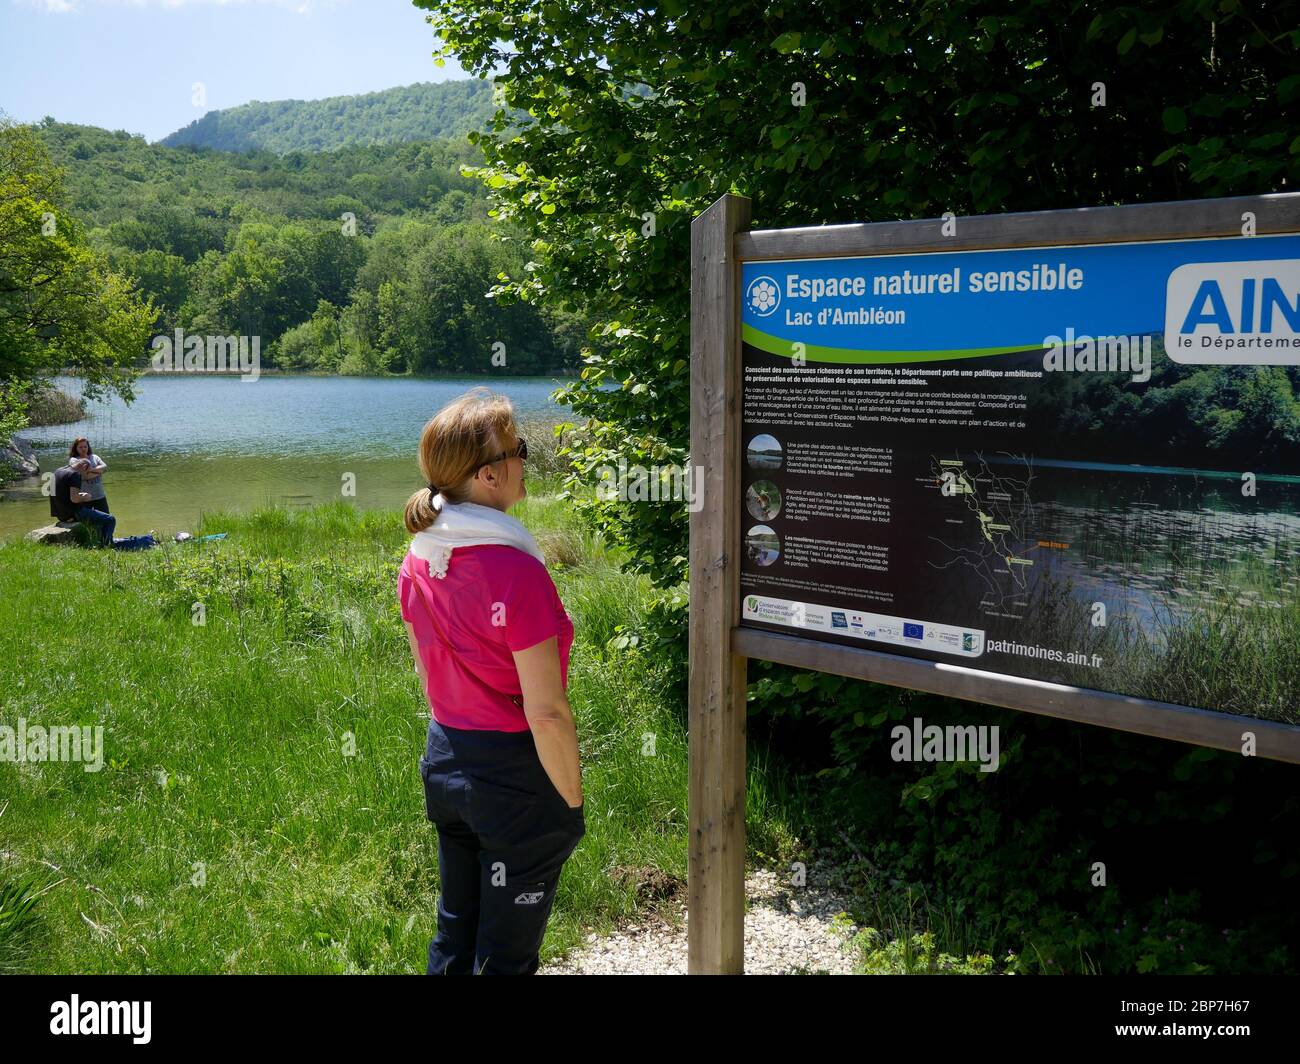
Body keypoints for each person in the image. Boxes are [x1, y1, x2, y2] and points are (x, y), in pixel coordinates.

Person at [398, 388, 584, 976]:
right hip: (514, 778)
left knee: (455, 936)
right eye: (519, 449)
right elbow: (547, 712)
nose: (526, 459)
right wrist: (569, 805)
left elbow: (427, 673)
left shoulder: (420, 555)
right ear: (489, 475)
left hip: (447, 757)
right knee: (505, 956)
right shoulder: (516, 571)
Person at [50, 457, 154, 550]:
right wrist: (85, 497)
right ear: (84, 467)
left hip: (61, 515)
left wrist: (79, 495)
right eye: (86, 473)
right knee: (110, 519)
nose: (85, 476)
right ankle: (107, 545)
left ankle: (105, 540)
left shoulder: (58, 471)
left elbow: (57, 493)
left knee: (99, 521)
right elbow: (74, 499)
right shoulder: (75, 474)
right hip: (73, 514)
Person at [69, 438, 109, 514]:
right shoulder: (74, 460)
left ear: (88, 447)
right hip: (85, 498)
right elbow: (84, 476)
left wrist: (91, 470)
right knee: (88, 522)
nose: (83, 449)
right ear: (76, 448)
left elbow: (104, 467)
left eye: (85, 446)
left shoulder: (94, 457)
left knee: (106, 519)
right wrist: (98, 472)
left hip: (100, 495)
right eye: (80, 447)